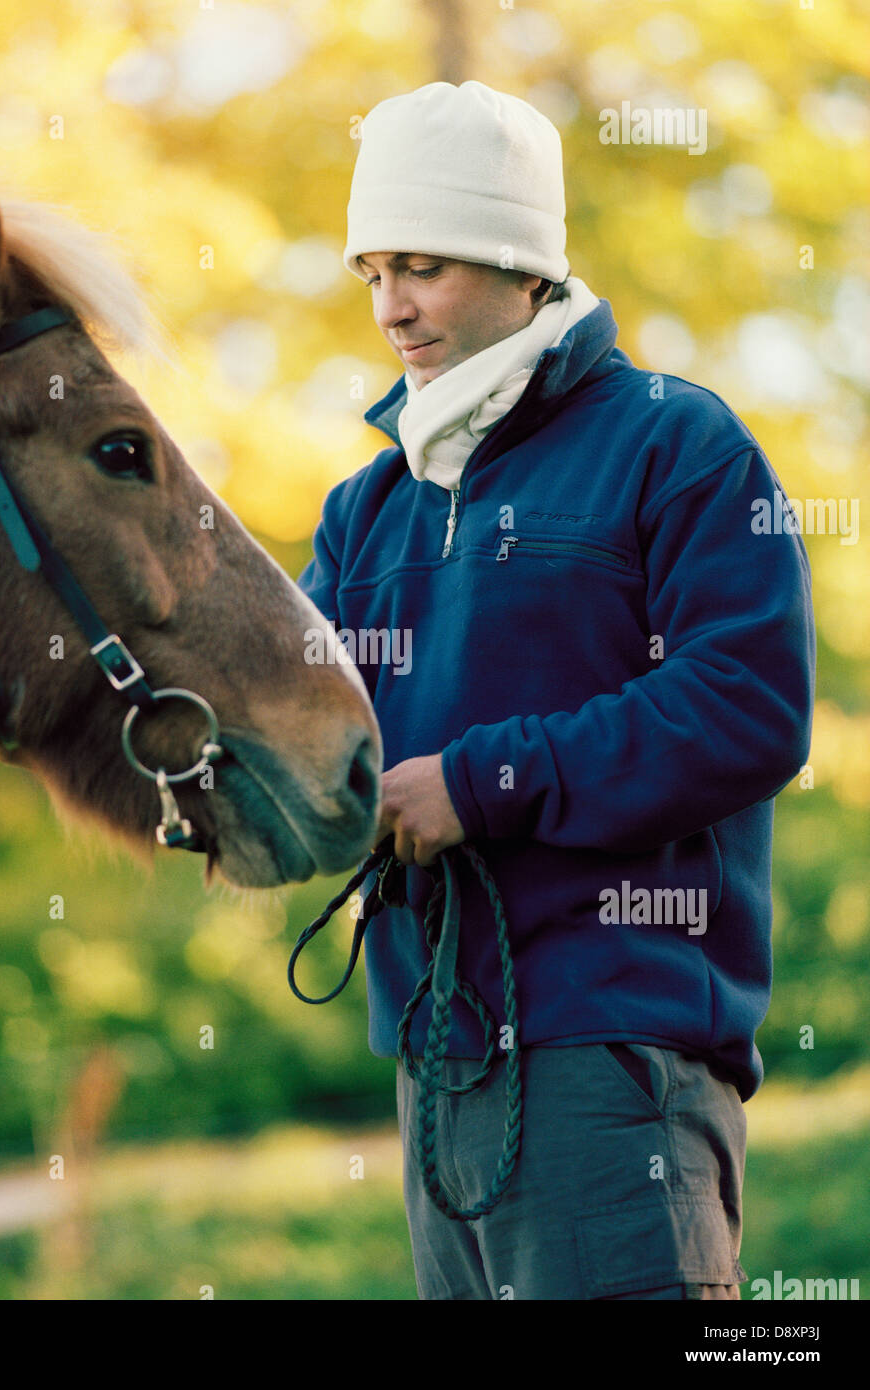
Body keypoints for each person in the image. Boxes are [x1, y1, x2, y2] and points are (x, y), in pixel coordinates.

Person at [297, 80, 815, 1300]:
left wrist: (479, 785)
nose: (391, 307)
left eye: (420, 265)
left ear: (523, 264)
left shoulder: (675, 446)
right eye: (371, 271)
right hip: (433, 1061)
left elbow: (746, 707)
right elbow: (301, 730)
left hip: (609, 1054)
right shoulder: (364, 508)